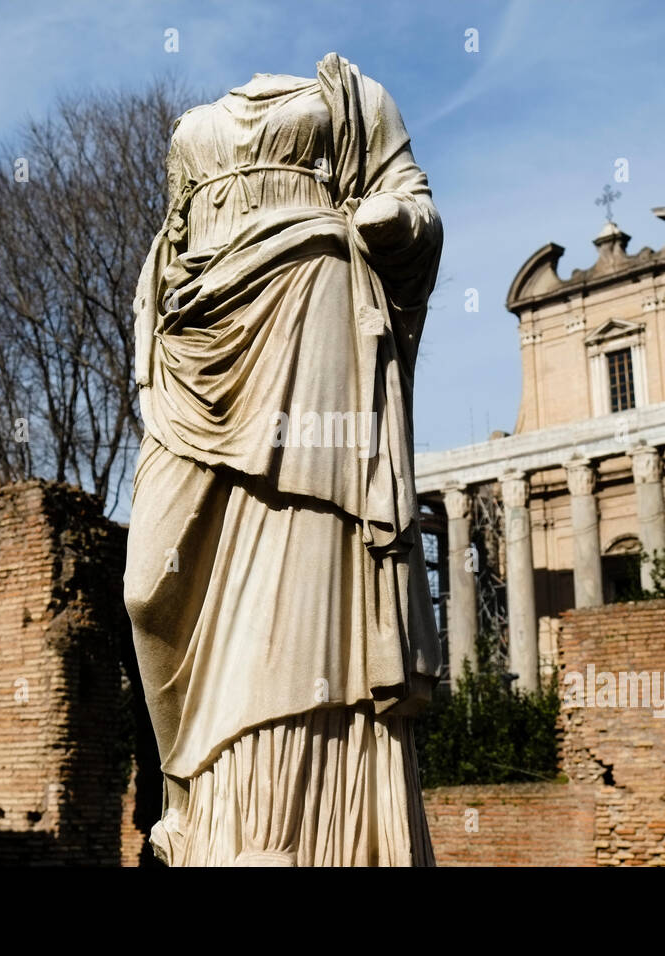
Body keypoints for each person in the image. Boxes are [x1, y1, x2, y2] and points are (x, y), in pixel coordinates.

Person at [125, 52, 443, 866]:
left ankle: (287, 833)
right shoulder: (187, 129)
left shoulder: (353, 94)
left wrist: (391, 226)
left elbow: (416, 209)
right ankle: (194, 797)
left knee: (305, 568)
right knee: (146, 588)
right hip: (198, 343)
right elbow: (171, 240)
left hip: (315, 318)